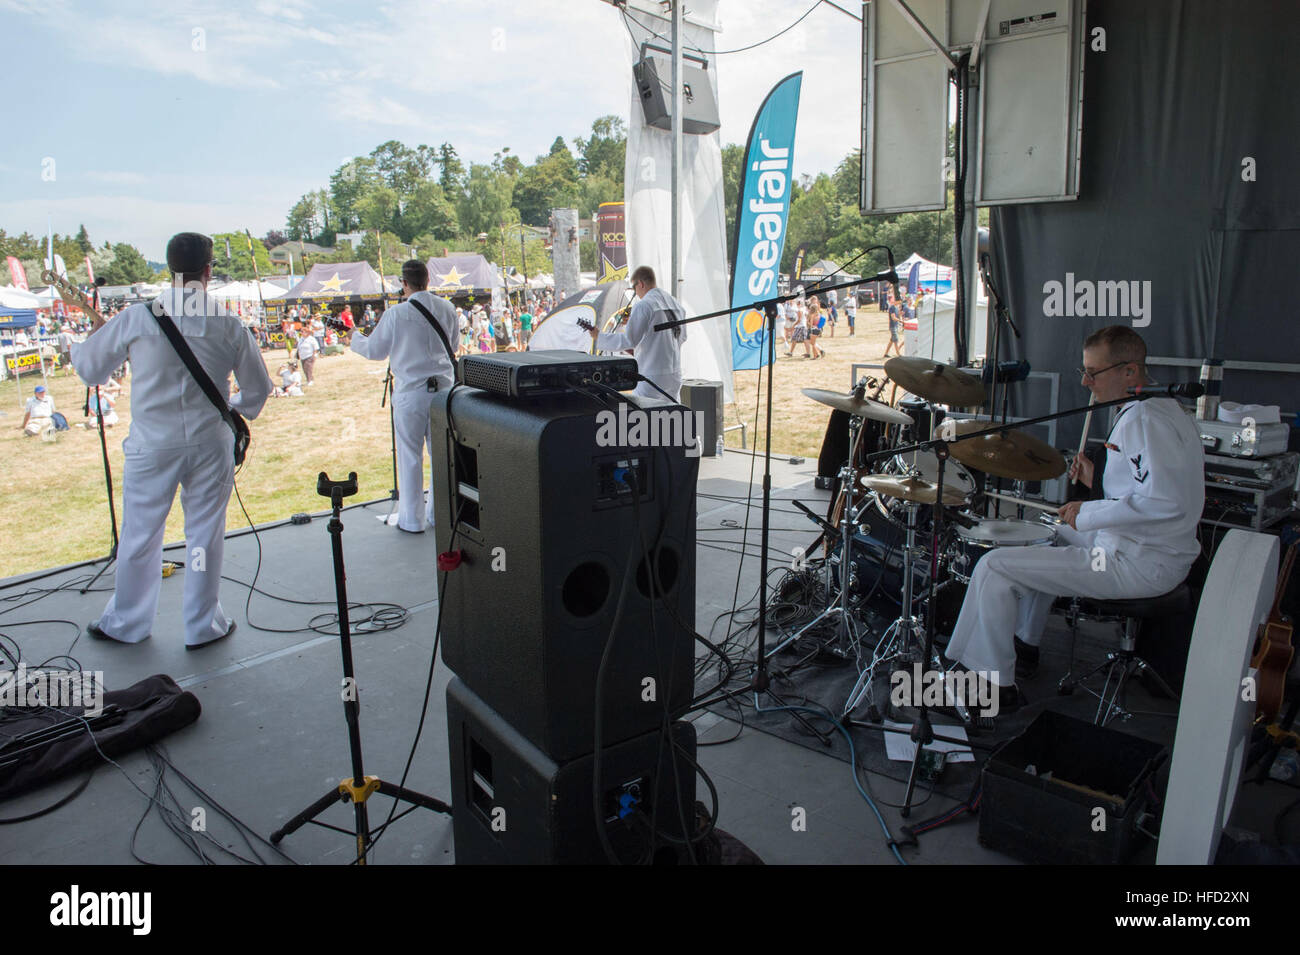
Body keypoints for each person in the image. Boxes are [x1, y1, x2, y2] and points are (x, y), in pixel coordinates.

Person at [943, 326, 1205, 710]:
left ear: (1130, 372)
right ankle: (1025, 643)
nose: (1085, 382)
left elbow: (1166, 503)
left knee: (995, 565)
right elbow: (1145, 488)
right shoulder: (1161, 409)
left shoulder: (1144, 420)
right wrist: (1094, 480)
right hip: (1147, 549)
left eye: (1093, 372)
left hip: (1137, 561)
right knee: (1047, 536)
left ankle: (992, 686)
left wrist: (1088, 510)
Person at [70, 232, 273, 649]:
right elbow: (259, 390)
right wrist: (231, 406)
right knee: (204, 533)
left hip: (152, 445)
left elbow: (90, 368)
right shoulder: (228, 323)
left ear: (168, 268)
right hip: (209, 443)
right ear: (208, 269)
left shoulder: (137, 317)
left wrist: (94, 334)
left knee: (141, 533)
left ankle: (127, 622)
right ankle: (202, 625)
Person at [351, 259, 458, 534]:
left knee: (410, 456)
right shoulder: (447, 308)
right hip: (444, 392)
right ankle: (438, 515)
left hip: (412, 392)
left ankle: (411, 520)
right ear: (428, 280)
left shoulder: (396, 314)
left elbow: (374, 351)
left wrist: (354, 337)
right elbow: (454, 346)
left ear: (404, 283)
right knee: (441, 455)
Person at [588, 265, 687, 401]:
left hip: (651, 374)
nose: (636, 294)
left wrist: (599, 337)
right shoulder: (675, 303)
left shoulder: (644, 305)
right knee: (671, 416)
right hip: (674, 374)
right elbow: (682, 337)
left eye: (634, 289)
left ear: (640, 284)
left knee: (645, 416)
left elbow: (629, 340)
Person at [883, 291, 904, 358]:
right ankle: (898, 354)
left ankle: (886, 353)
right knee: (896, 340)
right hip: (893, 326)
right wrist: (901, 321)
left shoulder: (896, 308)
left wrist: (900, 314)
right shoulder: (892, 308)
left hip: (895, 326)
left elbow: (897, 316)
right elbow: (893, 317)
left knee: (892, 340)